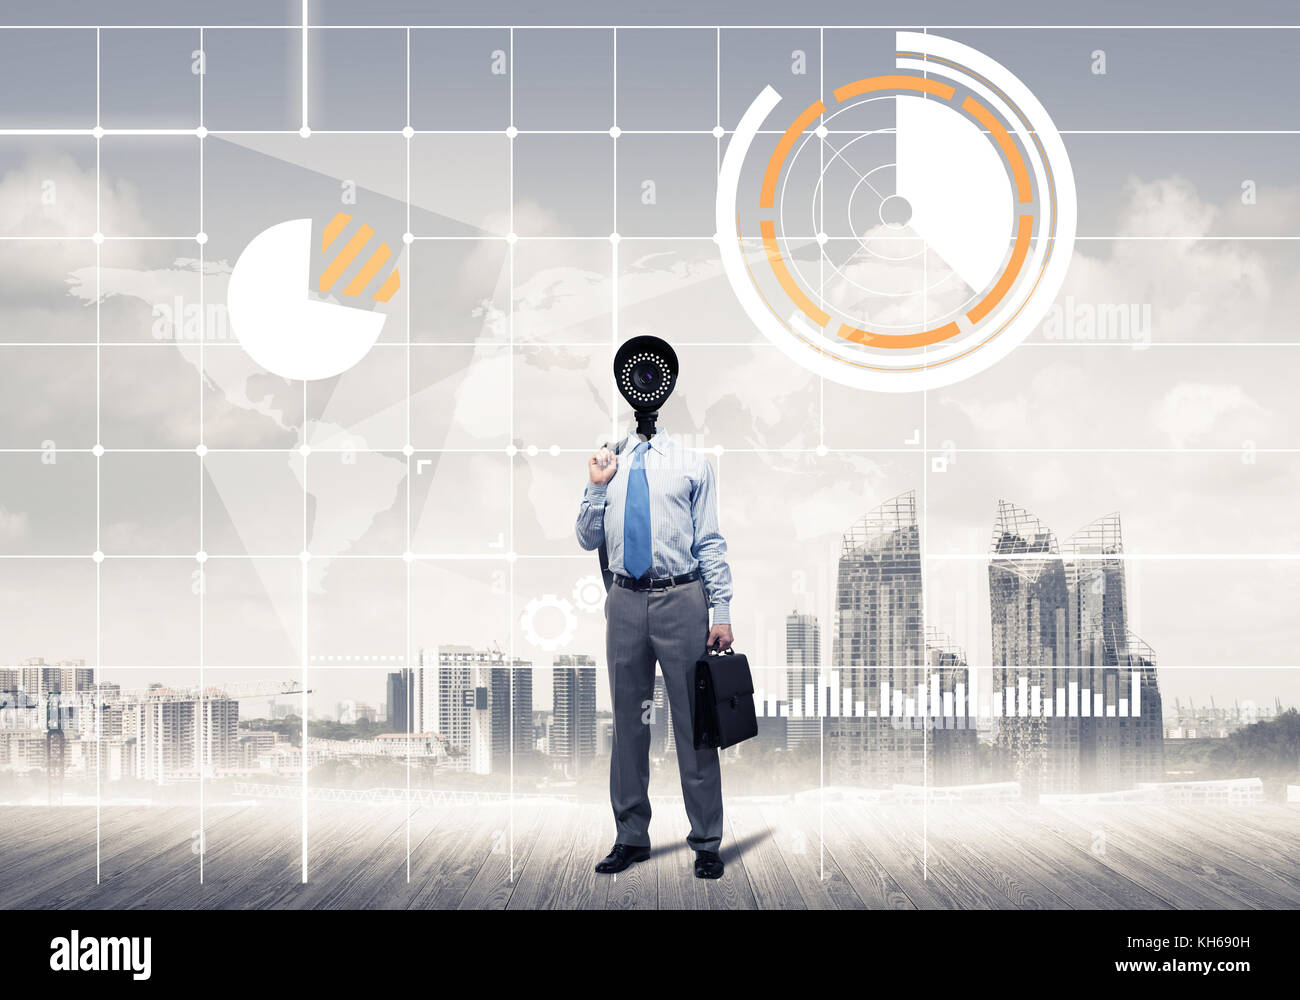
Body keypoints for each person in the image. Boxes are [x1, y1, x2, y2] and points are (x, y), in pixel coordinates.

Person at [575, 427, 734, 880]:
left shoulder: (691, 463)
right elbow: (587, 539)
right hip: (624, 600)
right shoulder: (609, 463)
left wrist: (719, 610)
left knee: (695, 724)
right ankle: (630, 838)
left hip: (682, 599)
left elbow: (709, 541)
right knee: (628, 724)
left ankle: (706, 842)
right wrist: (595, 486)